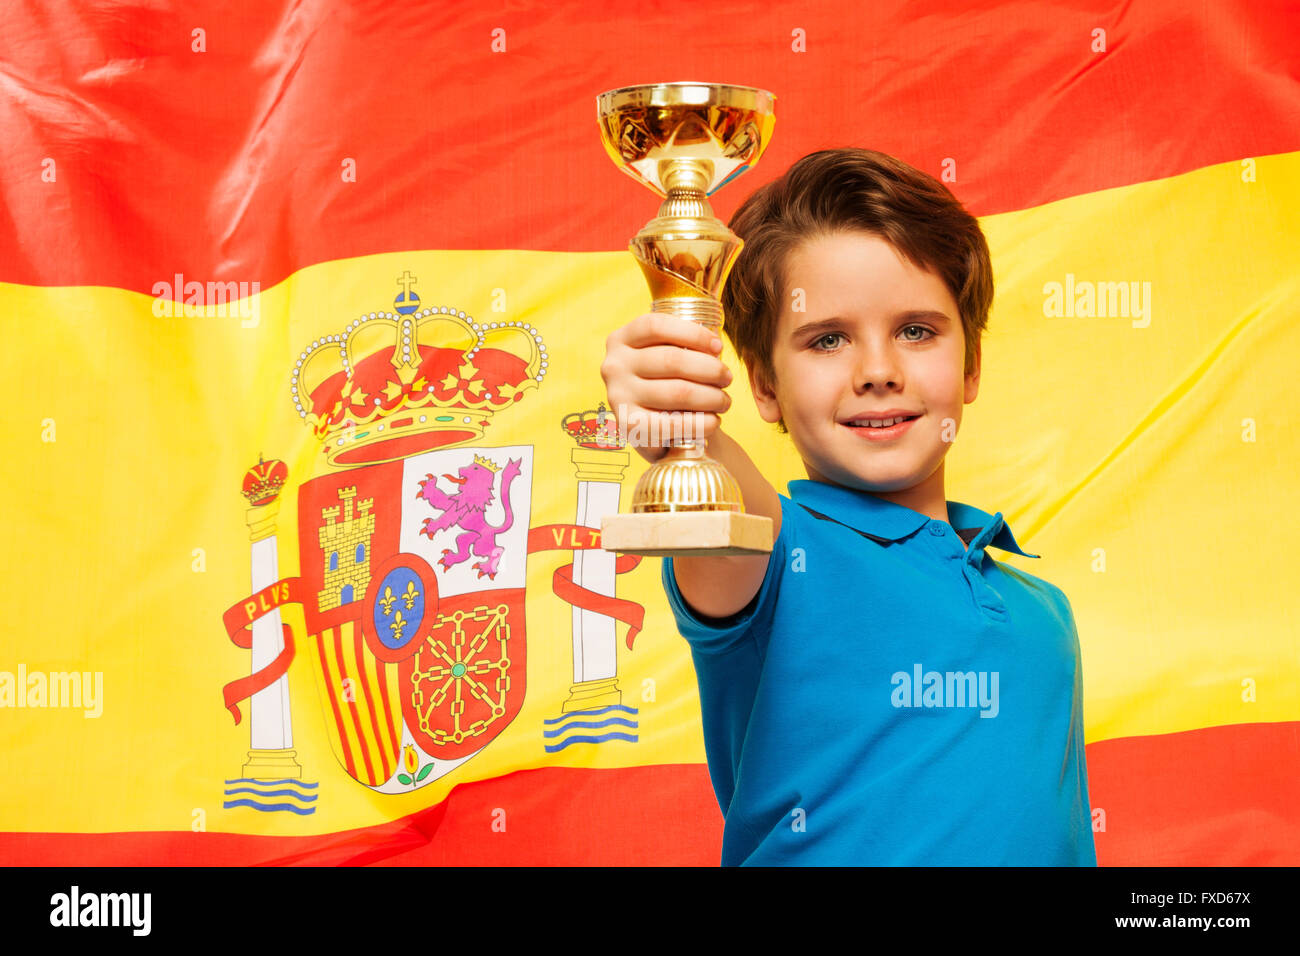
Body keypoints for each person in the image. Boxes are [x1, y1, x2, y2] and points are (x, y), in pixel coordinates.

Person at [600, 147, 1097, 866]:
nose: (878, 372)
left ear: (973, 364)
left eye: (917, 331)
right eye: (827, 339)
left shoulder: (1041, 607)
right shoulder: (775, 552)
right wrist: (678, 418)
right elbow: (724, 490)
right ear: (764, 386)